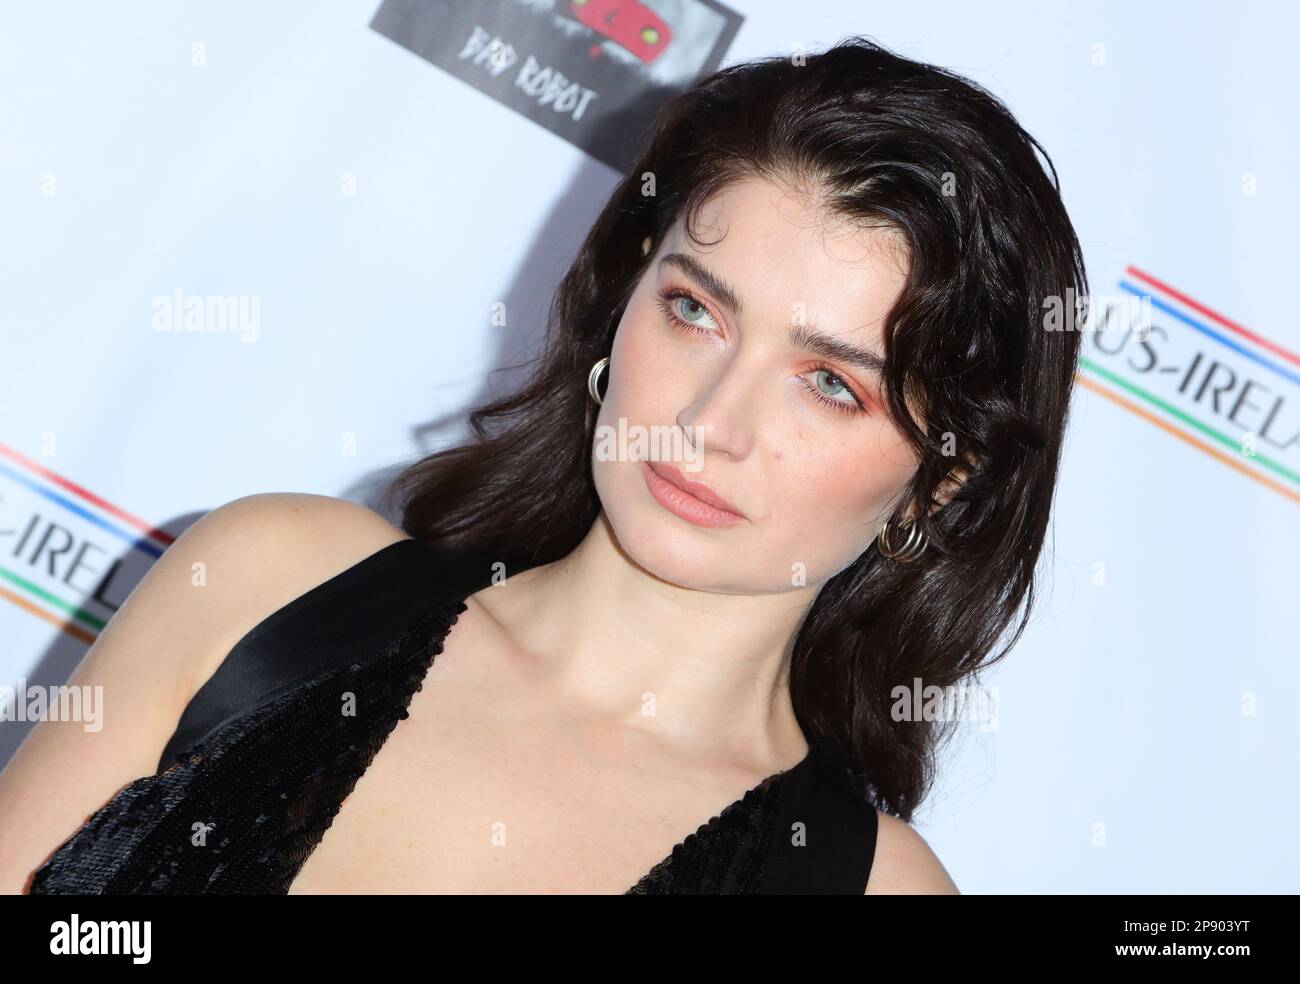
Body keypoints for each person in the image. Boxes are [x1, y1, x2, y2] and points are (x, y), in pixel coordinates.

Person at [0, 34, 1086, 894]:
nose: (710, 421)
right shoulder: (266, 581)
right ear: (620, 302)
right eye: (696, 311)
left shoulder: (870, 888)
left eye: (829, 383)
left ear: (943, 478)